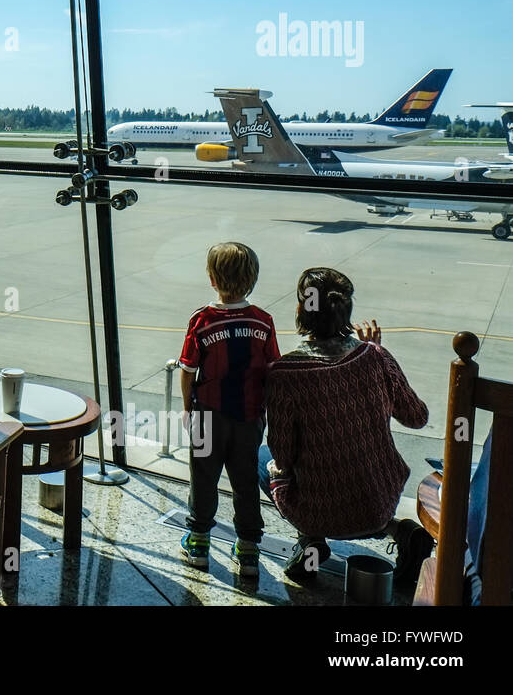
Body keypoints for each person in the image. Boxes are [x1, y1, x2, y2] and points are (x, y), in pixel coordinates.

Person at [259, 267, 429, 584]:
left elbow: (282, 457)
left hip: (321, 511)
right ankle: (398, 530)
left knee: (261, 458)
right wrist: (379, 362)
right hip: (378, 501)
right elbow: (417, 417)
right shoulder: (374, 355)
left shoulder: (285, 373)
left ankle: (311, 542)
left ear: (300, 311)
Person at [177, 242, 277, 578]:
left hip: (208, 414)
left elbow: (189, 370)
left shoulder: (202, 321)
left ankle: (199, 540)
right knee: (245, 479)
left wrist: (187, 409)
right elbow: (273, 368)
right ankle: (248, 549)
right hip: (250, 417)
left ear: (212, 279)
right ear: (253, 279)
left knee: (203, 477)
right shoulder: (263, 321)